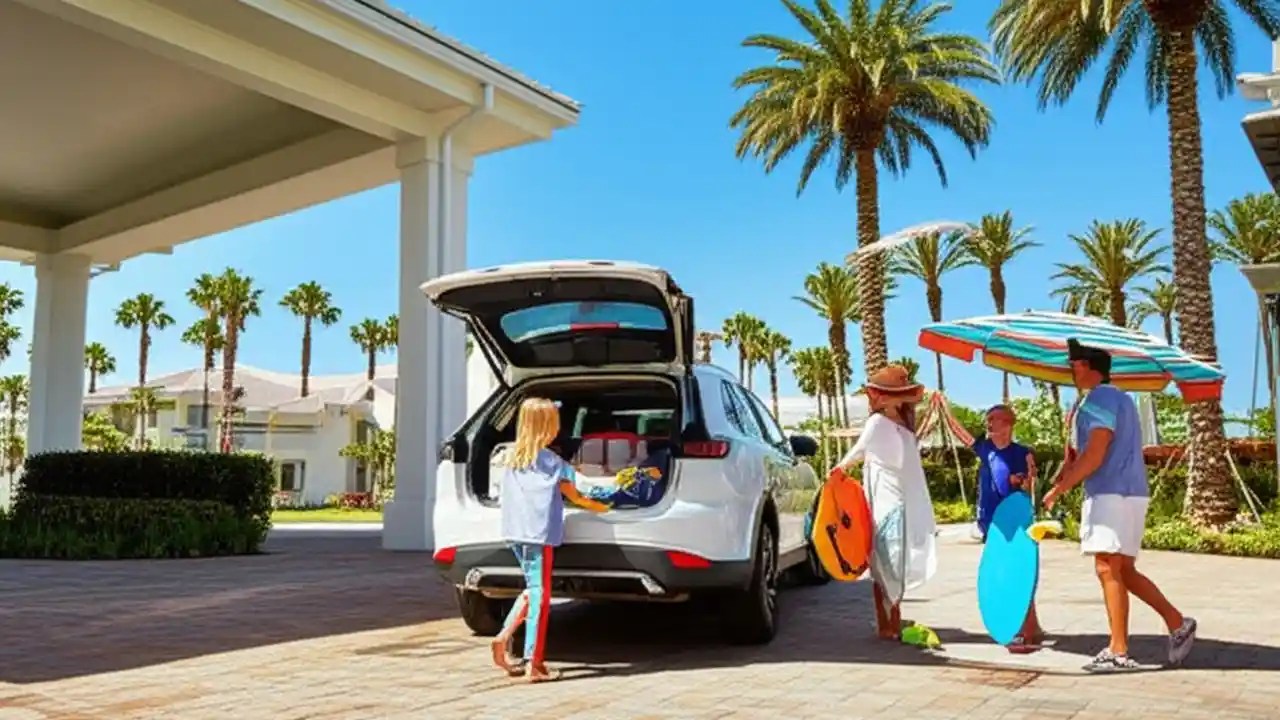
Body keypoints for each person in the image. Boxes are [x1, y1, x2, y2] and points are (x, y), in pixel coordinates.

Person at [1042, 339, 1197, 672]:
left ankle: (1118, 651)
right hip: (1130, 492)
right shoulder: (1117, 399)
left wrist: (1060, 489)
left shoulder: (1100, 398)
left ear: (1086, 366)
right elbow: (1094, 451)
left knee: (1107, 568)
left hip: (1111, 493)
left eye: (1074, 365)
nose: (1071, 370)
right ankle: (1177, 623)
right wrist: (1068, 469)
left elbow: (1096, 454)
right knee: (1123, 570)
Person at [491, 397, 609, 682]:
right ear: (547, 428)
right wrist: (606, 504)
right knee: (541, 595)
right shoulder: (553, 462)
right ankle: (535, 662)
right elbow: (580, 490)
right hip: (539, 535)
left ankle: (504, 636)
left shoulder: (509, 458)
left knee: (532, 590)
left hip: (515, 532)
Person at [836, 365, 937, 640]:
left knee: (882, 566)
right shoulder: (901, 429)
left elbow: (857, 452)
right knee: (891, 563)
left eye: (879, 393)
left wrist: (837, 470)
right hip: (896, 504)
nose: (874, 398)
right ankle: (892, 622)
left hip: (885, 504)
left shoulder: (884, 424)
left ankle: (888, 626)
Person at [947, 404, 1044, 652]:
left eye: (994, 419)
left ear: (1008, 423)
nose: (988, 423)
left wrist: (1021, 480)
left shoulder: (1022, 452)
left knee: (1017, 574)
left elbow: (1030, 488)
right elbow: (961, 434)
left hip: (1015, 522)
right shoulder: (985, 448)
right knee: (1006, 573)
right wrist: (945, 411)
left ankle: (1024, 629)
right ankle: (1031, 627)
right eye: (987, 419)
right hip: (991, 522)